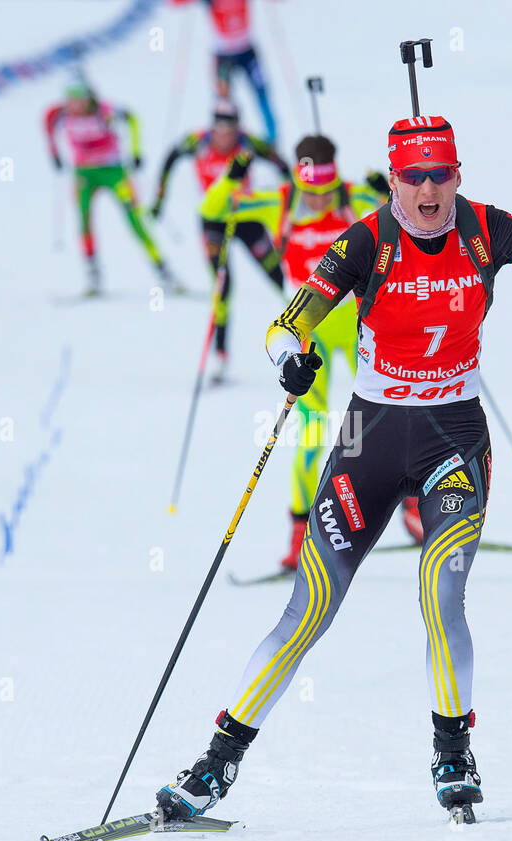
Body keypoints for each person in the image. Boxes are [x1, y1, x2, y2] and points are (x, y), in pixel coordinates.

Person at [155, 115, 512, 822]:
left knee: (441, 594)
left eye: (441, 175)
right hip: (369, 437)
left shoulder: (488, 230)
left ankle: (452, 748)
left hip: (453, 439)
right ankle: (216, 762)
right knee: (308, 609)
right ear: (392, 178)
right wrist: (291, 359)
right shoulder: (368, 239)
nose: (428, 190)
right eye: (413, 176)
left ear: (457, 174)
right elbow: (288, 323)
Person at [197, 133, 403, 562]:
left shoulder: (355, 195)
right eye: (310, 192)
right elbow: (212, 210)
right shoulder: (280, 201)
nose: (316, 201)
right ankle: (300, 534)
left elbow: (411, 211)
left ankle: (416, 509)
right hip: (309, 330)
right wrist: (231, 179)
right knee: (310, 432)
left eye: (324, 192)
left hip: (361, 321)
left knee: (396, 413)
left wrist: (389, 189)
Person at [152, 100, 289, 372]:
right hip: (213, 221)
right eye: (220, 127)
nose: (224, 133)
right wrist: (160, 197)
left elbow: (284, 166)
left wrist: (289, 202)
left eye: (230, 127)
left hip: (245, 217)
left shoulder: (249, 143)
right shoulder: (197, 141)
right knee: (222, 286)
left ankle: (310, 330)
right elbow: (169, 158)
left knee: (278, 275)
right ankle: (220, 354)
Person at [44, 81, 182, 294]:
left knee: (134, 219)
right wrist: (54, 154)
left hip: (114, 171)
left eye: (78, 99)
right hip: (84, 174)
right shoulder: (60, 114)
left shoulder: (103, 110)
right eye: (70, 100)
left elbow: (132, 119)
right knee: (84, 221)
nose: (74, 105)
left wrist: (136, 152)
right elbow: (47, 122)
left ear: (87, 98)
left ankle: (164, 271)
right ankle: (93, 276)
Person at [173, 0, 278, 143]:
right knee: (223, 103)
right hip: (224, 55)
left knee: (262, 95)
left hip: (247, 52)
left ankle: (272, 141)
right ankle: (224, 142)